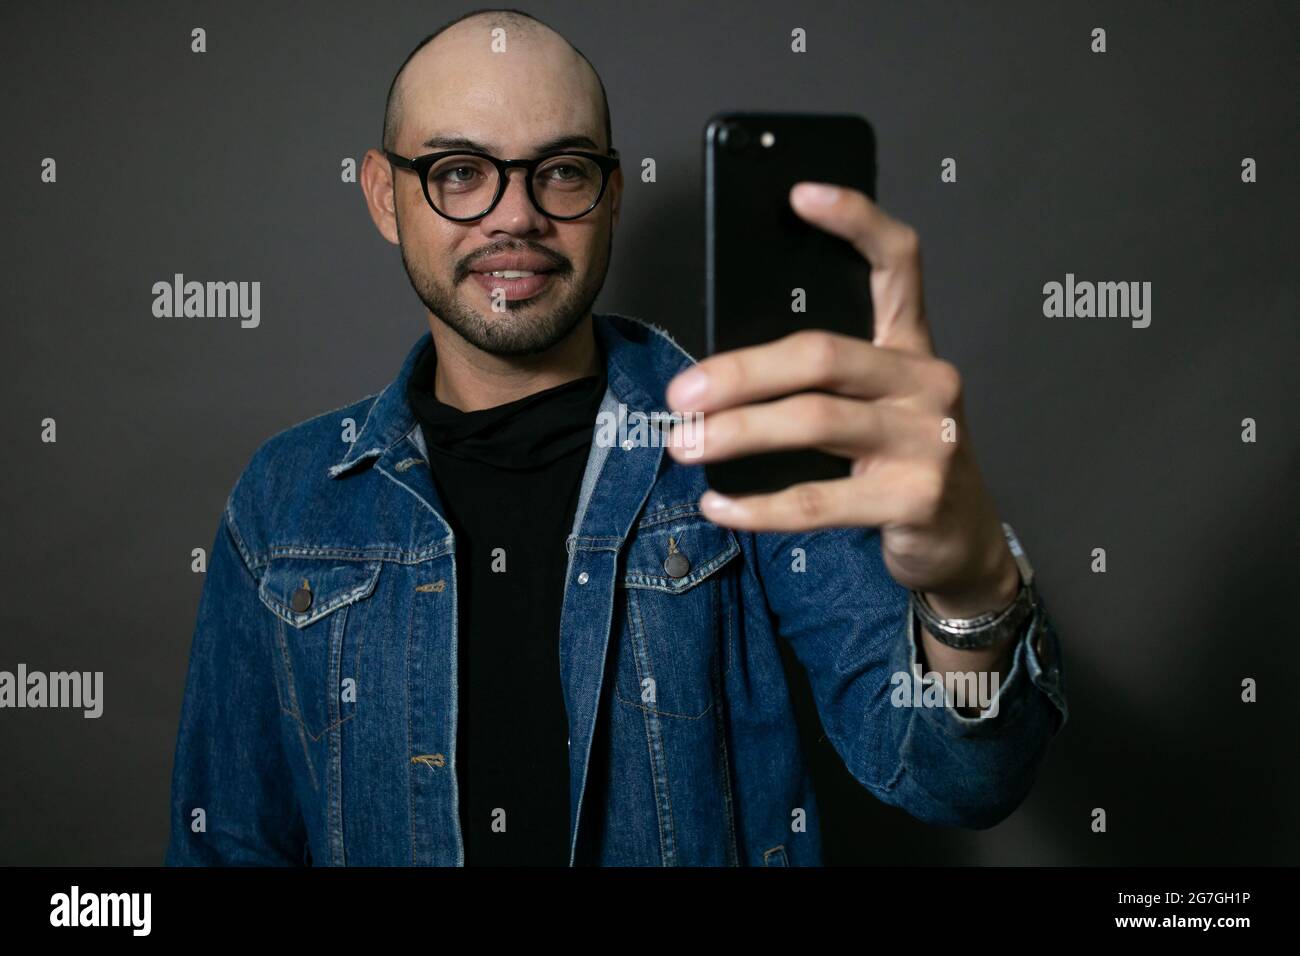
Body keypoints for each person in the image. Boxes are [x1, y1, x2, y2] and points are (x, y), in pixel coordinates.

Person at [166, 7, 1067, 867]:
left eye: (560, 169)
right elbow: (228, 844)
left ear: (612, 195)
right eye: (458, 171)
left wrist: (970, 586)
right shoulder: (287, 498)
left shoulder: (748, 442)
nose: (514, 216)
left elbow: (955, 778)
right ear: (384, 195)